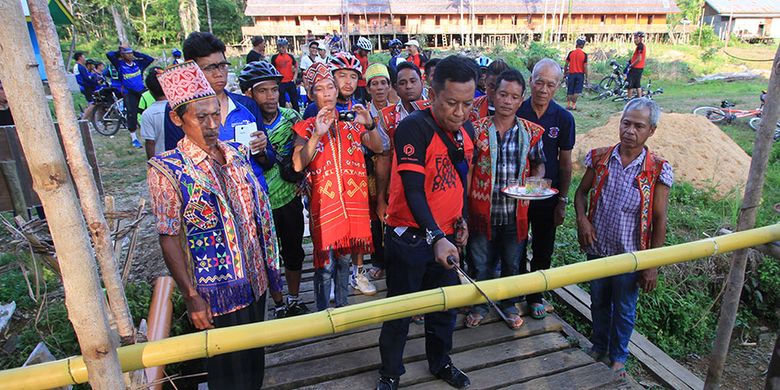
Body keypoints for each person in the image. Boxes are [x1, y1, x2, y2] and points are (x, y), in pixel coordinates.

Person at [148, 61, 282, 389]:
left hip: (255, 279)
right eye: (200, 117)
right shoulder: (167, 169)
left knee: (253, 363)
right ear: (178, 119)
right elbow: (168, 237)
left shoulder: (236, 154)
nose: (211, 125)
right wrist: (191, 295)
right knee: (227, 372)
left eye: (215, 115)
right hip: (216, 292)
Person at [376, 55, 478, 390]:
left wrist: (460, 217)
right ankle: (390, 373)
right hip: (410, 237)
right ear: (432, 94)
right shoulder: (412, 128)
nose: (460, 113)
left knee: (444, 308)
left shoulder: (466, 130)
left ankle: (441, 363)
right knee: (401, 310)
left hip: (445, 235)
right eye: (451, 103)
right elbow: (414, 190)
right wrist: (436, 236)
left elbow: (458, 179)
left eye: (467, 104)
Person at [574, 98, 671, 377]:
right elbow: (581, 193)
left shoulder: (657, 169)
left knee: (625, 308)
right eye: (626, 123)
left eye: (638, 126)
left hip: (631, 255)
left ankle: (618, 357)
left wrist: (652, 263)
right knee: (599, 301)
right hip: (599, 248)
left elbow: (659, 218)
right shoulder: (600, 157)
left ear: (651, 130)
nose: (630, 130)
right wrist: (582, 220)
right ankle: (598, 346)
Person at [291, 62, 383, 311]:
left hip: (352, 201)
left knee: (343, 260)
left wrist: (370, 125)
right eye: (320, 89)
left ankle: (343, 309)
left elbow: (378, 147)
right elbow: (299, 164)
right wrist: (317, 135)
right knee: (324, 265)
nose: (328, 93)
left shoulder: (351, 122)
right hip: (325, 203)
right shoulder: (307, 126)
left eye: (330, 87)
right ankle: (322, 314)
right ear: (312, 95)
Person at [466, 69, 546, 329]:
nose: (507, 101)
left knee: (512, 262)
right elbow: (466, 167)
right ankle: (479, 305)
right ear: (492, 94)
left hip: (515, 212)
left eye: (513, 96)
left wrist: (535, 183)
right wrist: (464, 209)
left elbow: (539, 164)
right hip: (481, 211)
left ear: (521, 99)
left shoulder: (529, 132)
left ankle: (508, 305)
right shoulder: (476, 129)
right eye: (502, 94)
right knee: (480, 263)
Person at [239, 60, 310, 318]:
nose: (270, 97)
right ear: (249, 94)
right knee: (268, 257)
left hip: (288, 198)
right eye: (262, 91)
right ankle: (278, 303)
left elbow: (302, 154)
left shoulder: (291, 117)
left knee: (294, 252)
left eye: (274, 90)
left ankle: (292, 298)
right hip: (257, 203)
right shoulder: (242, 124)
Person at [163, 32, 276, 195]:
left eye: (222, 65)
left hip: (254, 197)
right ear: (192, 69)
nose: (219, 73)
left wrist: (262, 151)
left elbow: (269, 160)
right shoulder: (181, 112)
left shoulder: (247, 106)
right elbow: (178, 165)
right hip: (212, 200)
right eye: (209, 68)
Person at [517, 58, 575, 320]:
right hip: (516, 194)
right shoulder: (516, 110)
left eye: (550, 84)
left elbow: (565, 164)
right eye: (539, 81)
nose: (543, 88)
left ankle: (536, 295)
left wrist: (562, 200)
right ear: (530, 81)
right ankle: (516, 290)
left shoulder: (564, 118)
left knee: (543, 247)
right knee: (515, 244)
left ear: (558, 86)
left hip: (547, 197)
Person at [372, 61, 429, 282]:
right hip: (399, 189)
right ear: (395, 87)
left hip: (430, 188)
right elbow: (384, 157)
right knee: (404, 246)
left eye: (413, 81)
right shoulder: (387, 117)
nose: (408, 87)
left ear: (422, 83)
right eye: (402, 83)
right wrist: (381, 199)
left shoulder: (435, 111)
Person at [106, 45, 155, 148]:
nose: (130, 55)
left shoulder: (138, 64)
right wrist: (119, 50)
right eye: (127, 53)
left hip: (141, 91)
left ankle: (151, 133)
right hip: (129, 93)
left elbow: (149, 59)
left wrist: (136, 53)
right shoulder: (120, 65)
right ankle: (134, 139)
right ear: (123, 55)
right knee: (131, 114)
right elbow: (109, 55)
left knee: (148, 110)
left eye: (131, 53)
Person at [302, 52, 364, 119]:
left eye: (353, 77)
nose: (348, 81)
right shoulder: (314, 108)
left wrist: (370, 126)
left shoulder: (360, 108)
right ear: (331, 78)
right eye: (342, 76)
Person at [140, 67, 167, 159]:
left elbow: (150, 142)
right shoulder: (178, 108)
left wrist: (151, 164)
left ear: (150, 91)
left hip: (162, 160)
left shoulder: (148, 114)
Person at [271, 38, 300, 112]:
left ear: (286, 47)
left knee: (294, 101)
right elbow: (272, 70)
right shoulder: (275, 57)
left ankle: (298, 115)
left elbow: (296, 65)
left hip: (290, 81)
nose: (281, 48)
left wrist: (295, 76)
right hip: (281, 82)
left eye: (283, 47)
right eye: (280, 47)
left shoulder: (290, 56)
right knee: (282, 101)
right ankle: (283, 116)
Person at [73, 52, 100, 122]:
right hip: (85, 87)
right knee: (92, 103)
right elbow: (86, 79)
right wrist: (95, 82)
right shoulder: (80, 67)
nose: (84, 58)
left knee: (93, 103)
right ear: (80, 57)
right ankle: (83, 120)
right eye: (83, 56)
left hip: (84, 86)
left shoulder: (78, 66)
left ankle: (91, 120)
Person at [565, 37, 588, 111]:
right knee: (577, 91)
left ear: (576, 44)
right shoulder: (584, 54)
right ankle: (573, 105)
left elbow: (566, 64)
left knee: (570, 90)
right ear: (582, 46)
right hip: (580, 74)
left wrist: (565, 72)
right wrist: (586, 76)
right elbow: (585, 66)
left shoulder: (571, 53)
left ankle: (568, 105)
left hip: (571, 74)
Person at [627, 31, 646, 99]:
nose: (634, 40)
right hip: (640, 68)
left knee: (630, 84)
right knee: (637, 84)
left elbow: (639, 58)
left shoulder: (640, 46)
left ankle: (629, 99)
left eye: (636, 38)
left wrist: (632, 65)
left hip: (636, 68)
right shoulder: (640, 46)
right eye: (634, 38)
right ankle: (640, 99)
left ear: (640, 38)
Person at [354, 37, 373, 102]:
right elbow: (354, 73)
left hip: (365, 83)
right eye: (365, 51)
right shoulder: (354, 58)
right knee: (360, 102)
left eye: (368, 51)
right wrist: (363, 76)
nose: (367, 53)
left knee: (370, 101)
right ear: (360, 49)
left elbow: (366, 65)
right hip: (358, 85)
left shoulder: (365, 56)